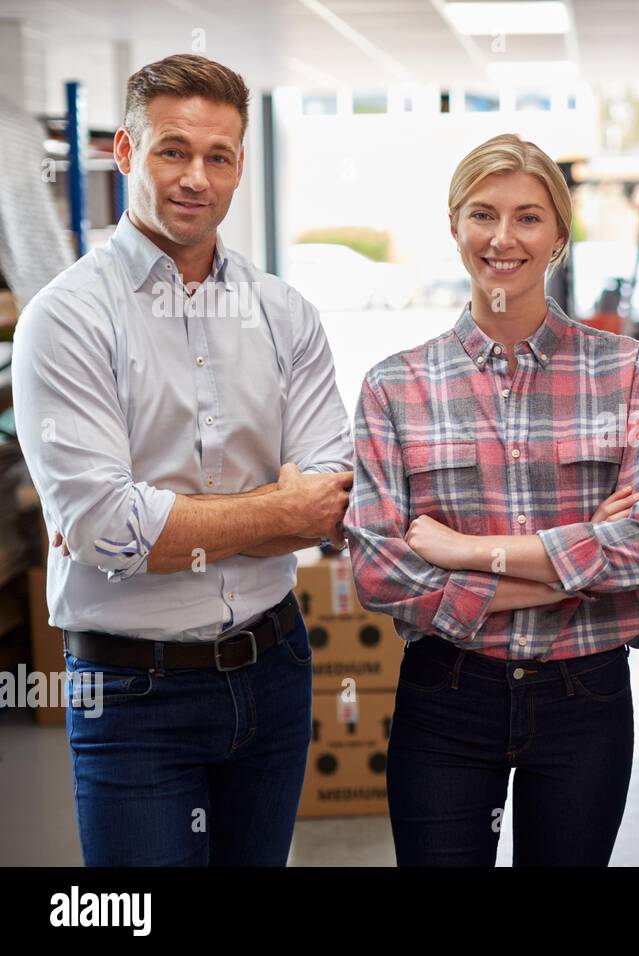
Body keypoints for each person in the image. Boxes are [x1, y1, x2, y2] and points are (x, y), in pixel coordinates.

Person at [11, 54, 353, 866]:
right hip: (132, 693)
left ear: (240, 166)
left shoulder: (284, 314)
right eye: (173, 150)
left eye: (219, 156)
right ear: (126, 152)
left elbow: (331, 498)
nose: (195, 177)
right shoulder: (65, 322)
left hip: (274, 668)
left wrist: (159, 520)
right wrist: (278, 510)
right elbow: (105, 532)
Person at [345, 133, 639, 867]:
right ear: (455, 225)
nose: (504, 238)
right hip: (447, 694)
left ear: (560, 235)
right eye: (483, 214)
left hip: (584, 696)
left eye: (529, 217)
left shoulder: (626, 371)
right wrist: (576, 559)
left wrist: (463, 555)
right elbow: (377, 571)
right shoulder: (393, 387)